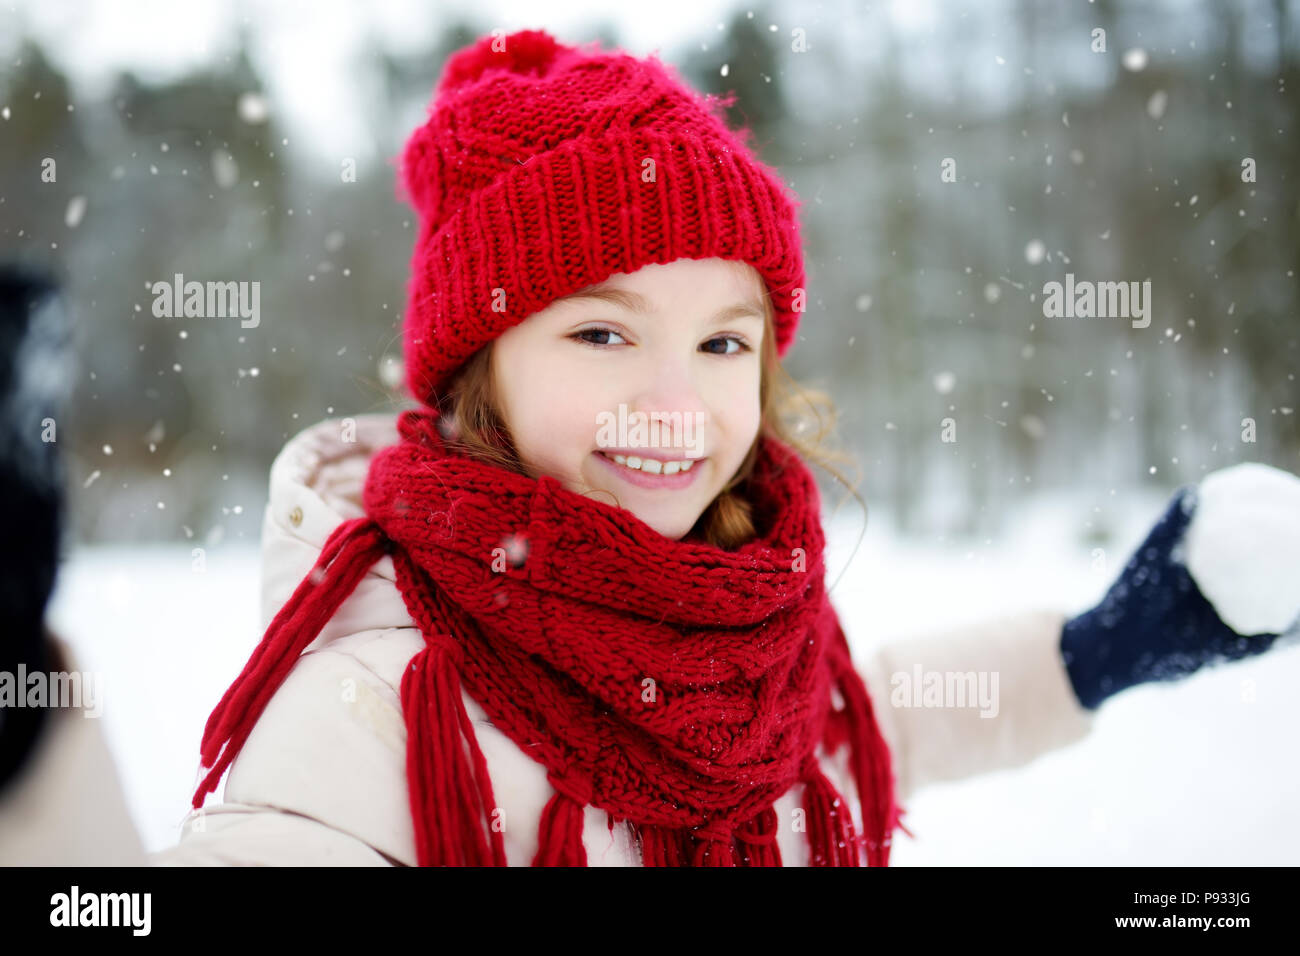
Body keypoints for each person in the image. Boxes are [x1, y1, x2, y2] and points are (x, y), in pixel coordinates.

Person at [3, 29, 1296, 866]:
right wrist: (29, 752)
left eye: (724, 345)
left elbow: (868, 715)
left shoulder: (743, 619)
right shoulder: (387, 682)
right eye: (603, 338)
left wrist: (1103, 650)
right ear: (480, 370)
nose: (676, 406)